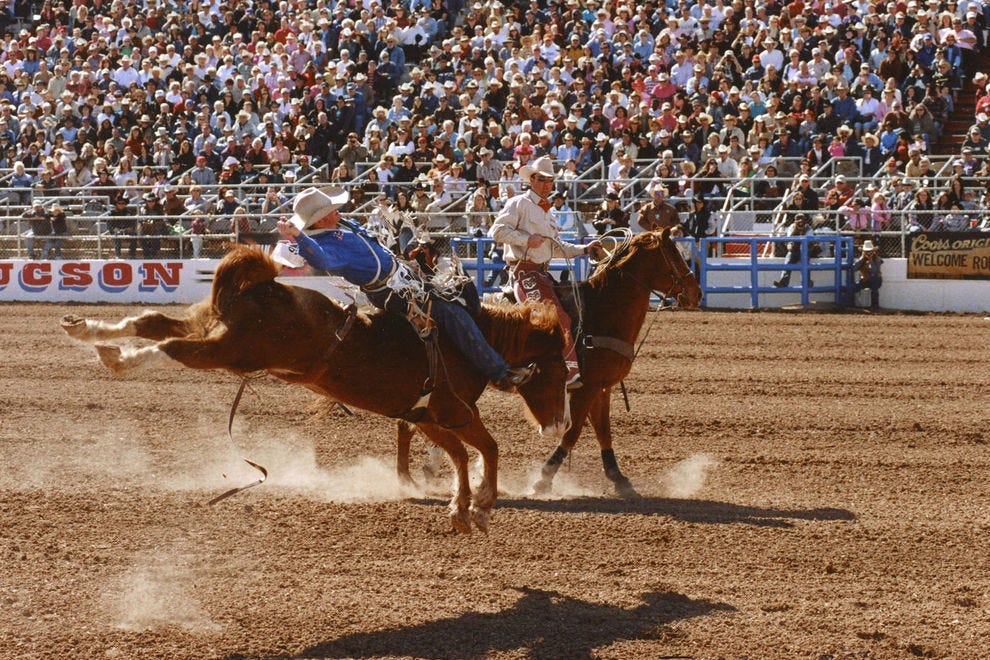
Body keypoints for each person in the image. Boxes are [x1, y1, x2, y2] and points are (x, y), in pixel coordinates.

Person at [276, 187, 534, 391]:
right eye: (332, 210)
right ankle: (497, 372)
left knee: (463, 288)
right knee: (450, 313)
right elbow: (320, 259)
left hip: (404, 276)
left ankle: (479, 348)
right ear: (321, 219)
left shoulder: (341, 227)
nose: (338, 211)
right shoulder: (327, 245)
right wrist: (298, 237)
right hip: (391, 292)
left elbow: (370, 239)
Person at [489, 156, 601, 389]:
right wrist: (526, 239)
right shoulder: (519, 203)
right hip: (524, 273)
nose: (546, 184)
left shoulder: (547, 212)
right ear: (531, 180)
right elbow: (497, 231)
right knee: (559, 318)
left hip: (541, 274)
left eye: (550, 180)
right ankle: (568, 373)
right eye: (541, 179)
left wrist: (584, 249)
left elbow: (557, 246)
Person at [773, 213, 815, 288]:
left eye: (802, 219)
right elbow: (790, 238)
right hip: (794, 249)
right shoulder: (792, 227)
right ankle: (783, 283)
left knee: (805, 263)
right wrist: (796, 230)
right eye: (798, 220)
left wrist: (803, 232)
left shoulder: (808, 228)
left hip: (804, 250)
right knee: (788, 262)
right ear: (795, 221)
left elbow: (810, 240)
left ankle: (806, 282)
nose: (800, 222)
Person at [853, 239, 883, 310]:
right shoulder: (861, 259)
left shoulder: (877, 259)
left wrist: (871, 261)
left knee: (874, 286)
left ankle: (875, 306)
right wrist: (862, 259)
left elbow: (875, 271)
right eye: (866, 251)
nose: (868, 253)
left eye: (870, 251)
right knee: (853, 287)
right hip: (865, 280)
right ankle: (849, 304)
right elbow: (854, 268)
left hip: (876, 280)